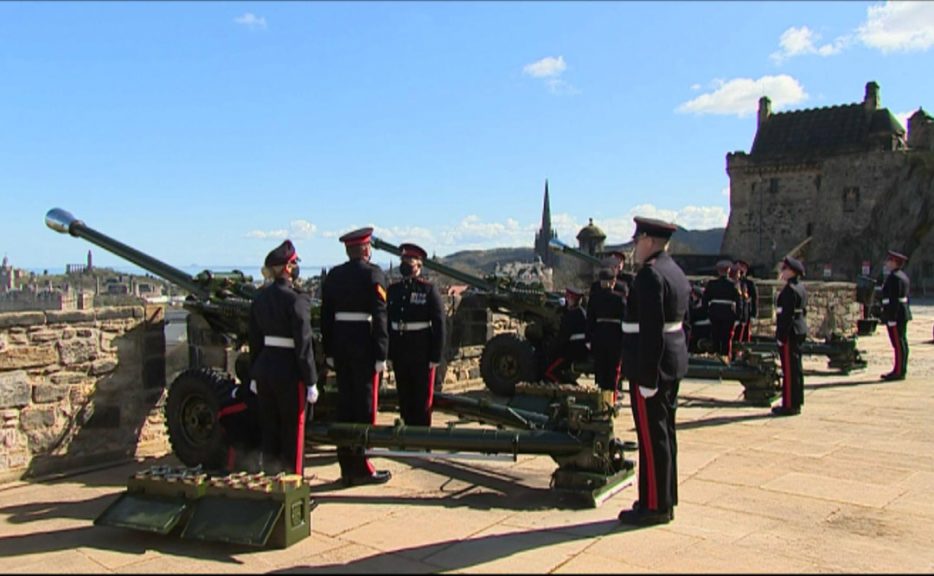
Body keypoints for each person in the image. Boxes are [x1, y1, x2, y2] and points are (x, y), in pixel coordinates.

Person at [618, 216, 690, 526]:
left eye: (637, 241)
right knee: (664, 435)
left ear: (648, 240)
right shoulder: (674, 271)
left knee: (651, 439)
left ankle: (654, 506)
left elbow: (650, 331)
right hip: (671, 363)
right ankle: (663, 497)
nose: (635, 246)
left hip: (651, 368)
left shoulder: (650, 275)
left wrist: (647, 377)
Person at [320, 227, 391, 486]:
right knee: (364, 407)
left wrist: (329, 350)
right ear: (365, 249)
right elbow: (380, 315)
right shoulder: (374, 274)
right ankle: (362, 466)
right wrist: (381, 352)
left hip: (340, 343)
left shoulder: (334, 275)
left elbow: (326, 317)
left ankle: (346, 466)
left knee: (345, 406)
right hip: (364, 344)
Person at [248, 239, 318, 476]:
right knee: (293, 432)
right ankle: (292, 483)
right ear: (288, 267)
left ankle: (271, 479)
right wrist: (311, 380)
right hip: (289, 371)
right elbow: (303, 343)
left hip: (265, 368)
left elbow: (255, 340)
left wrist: (254, 374)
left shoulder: (260, 298)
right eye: (294, 263)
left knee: (270, 430)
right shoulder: (297, 299)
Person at [387, 242, 446, 426]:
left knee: (422, 401)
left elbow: (439, 324)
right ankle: (406, 434)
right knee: (404, 397)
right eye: (403, 260)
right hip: (400, 350)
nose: (405, 264)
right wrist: (390, 352)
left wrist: (435, 356)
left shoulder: (428, 290)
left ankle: (422, 437)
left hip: (421, 351)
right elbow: (389, 322)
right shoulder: (394, 290)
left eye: (409, 260)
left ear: (419, 264)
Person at [772, 256, 808, 417]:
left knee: (789, 370)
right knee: (796, 368)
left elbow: (786, 317)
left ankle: (789, 404)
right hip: (799, 330)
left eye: (785, 269)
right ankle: (796, 401)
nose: (782, 272)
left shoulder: (789, 290)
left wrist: (781, 336)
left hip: (790, 332)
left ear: (792, 271)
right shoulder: (801, 288)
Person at [586, 267, 626, 410]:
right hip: (615, 336)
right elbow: (625, 320)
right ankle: (611, 401)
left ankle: (601, 400)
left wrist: (589, 339)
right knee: (613, 371)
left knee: (601, 370)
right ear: (613, 282)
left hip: (599, 336)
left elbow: (590, 320)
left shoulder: (594, 298)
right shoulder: (620, 299)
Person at [543, 287, 589, 384]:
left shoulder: (572, 315)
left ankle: (567, 387)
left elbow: (563, 337)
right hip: (578, 348)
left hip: (571, 350)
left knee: (549, 371)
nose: (567, 300)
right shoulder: (581, 312)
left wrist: (551, 349)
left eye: (568, 298)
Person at [702, 259, 742, 362]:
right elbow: (739, 302)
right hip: (728, 314)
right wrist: (738, 316)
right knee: (726, 338)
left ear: (718, 271)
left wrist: (706, 313)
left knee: (715, 336)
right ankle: (725, 357)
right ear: (729, 270)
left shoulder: (712, 284)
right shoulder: (734, 284)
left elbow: (705, 300)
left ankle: (715, 358)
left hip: (714, 313)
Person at [880, 250, 912, 381]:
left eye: (889, 260)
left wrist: (891, 317)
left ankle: (898, 371)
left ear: (894, 262)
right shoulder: (902, 276)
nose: (887, 263)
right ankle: (900, 369)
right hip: (902, 313)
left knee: (898, 344)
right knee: (902, 342)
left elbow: (893, 299)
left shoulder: (894, 278)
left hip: (896, 315)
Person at [735, 260, 758, 342]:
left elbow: (754, 299)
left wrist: (754, 314)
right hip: (735, 312)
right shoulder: (734, 282)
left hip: (746, 312)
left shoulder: (749, 283)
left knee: (744, 335)